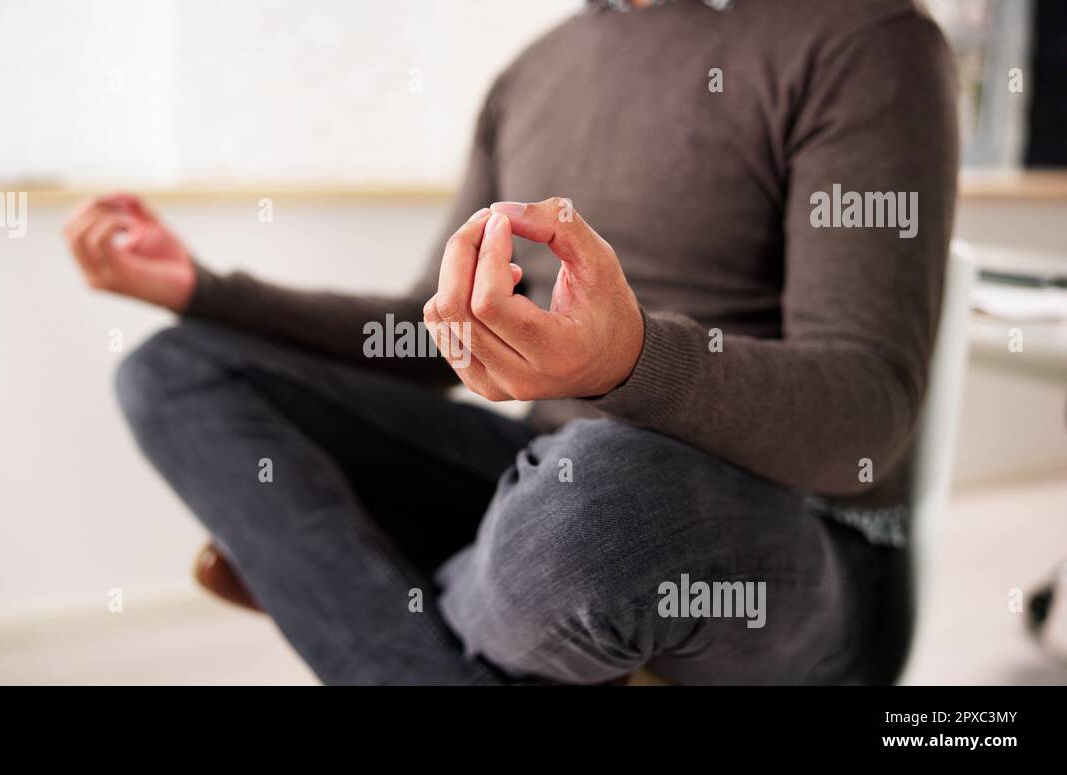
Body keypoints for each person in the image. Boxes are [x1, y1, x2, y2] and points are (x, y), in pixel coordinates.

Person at [64, 0, 958, 684]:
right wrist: (198, 289)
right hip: (546, 485)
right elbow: (426, 336)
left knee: (607, 496)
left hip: (785, 542)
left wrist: (631, 362)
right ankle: (436, 619)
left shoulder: (869, 38)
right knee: (174, 372)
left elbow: (866, 420)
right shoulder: (537, 70)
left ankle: (374, 591)